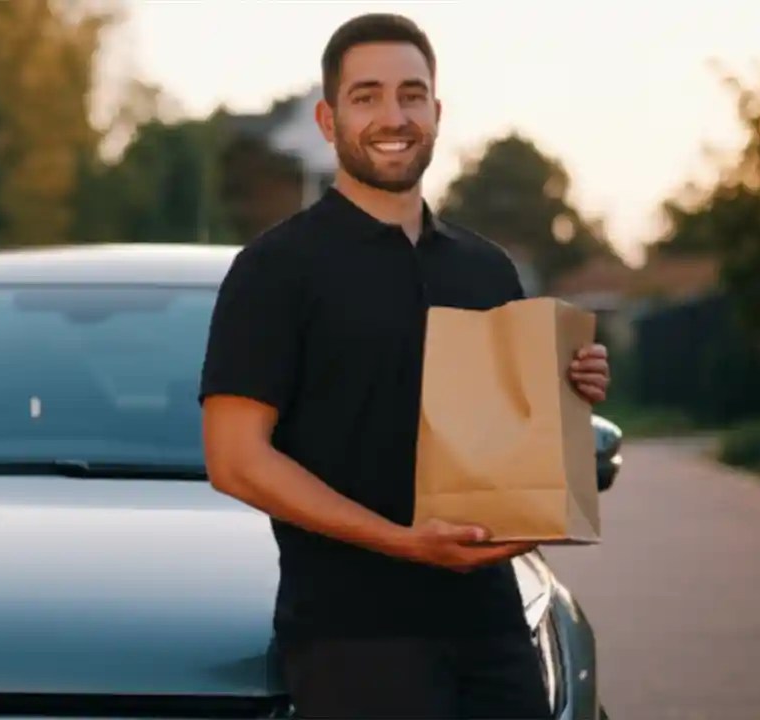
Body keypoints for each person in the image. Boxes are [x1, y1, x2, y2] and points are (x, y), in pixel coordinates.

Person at [199, 12, 611, 720]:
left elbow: (509, 435)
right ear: (330, 121)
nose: (394, 115)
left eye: (411, 94)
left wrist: (570, 389)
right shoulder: (274, 270)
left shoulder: (486, 269)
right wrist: (403, 544)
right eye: (367, 96)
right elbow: (235, 459)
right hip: (354, 637)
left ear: (437, 112)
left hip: (491, 622)